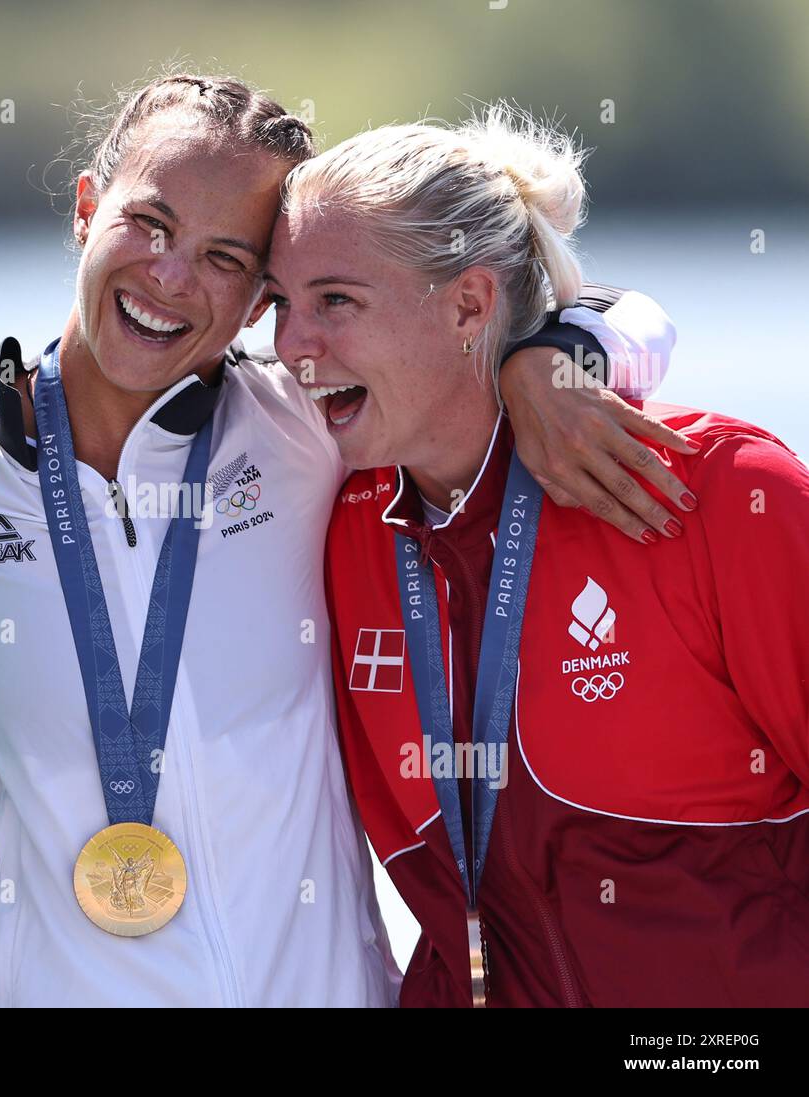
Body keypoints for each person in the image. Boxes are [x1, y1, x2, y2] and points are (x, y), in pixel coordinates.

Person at [0, 76, 684, 1006]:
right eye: (150, 223)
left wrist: (549, 359)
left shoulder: (307, 426)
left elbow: (639, 316)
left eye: (227, 258)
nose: (171, 276)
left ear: (263, 296)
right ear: (85, 207)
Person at [268, 104, 809, 1006]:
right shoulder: (326, 512)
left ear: (469, 305)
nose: (291, 346)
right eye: (280, 304)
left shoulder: (715, 494)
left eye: (335, 302)